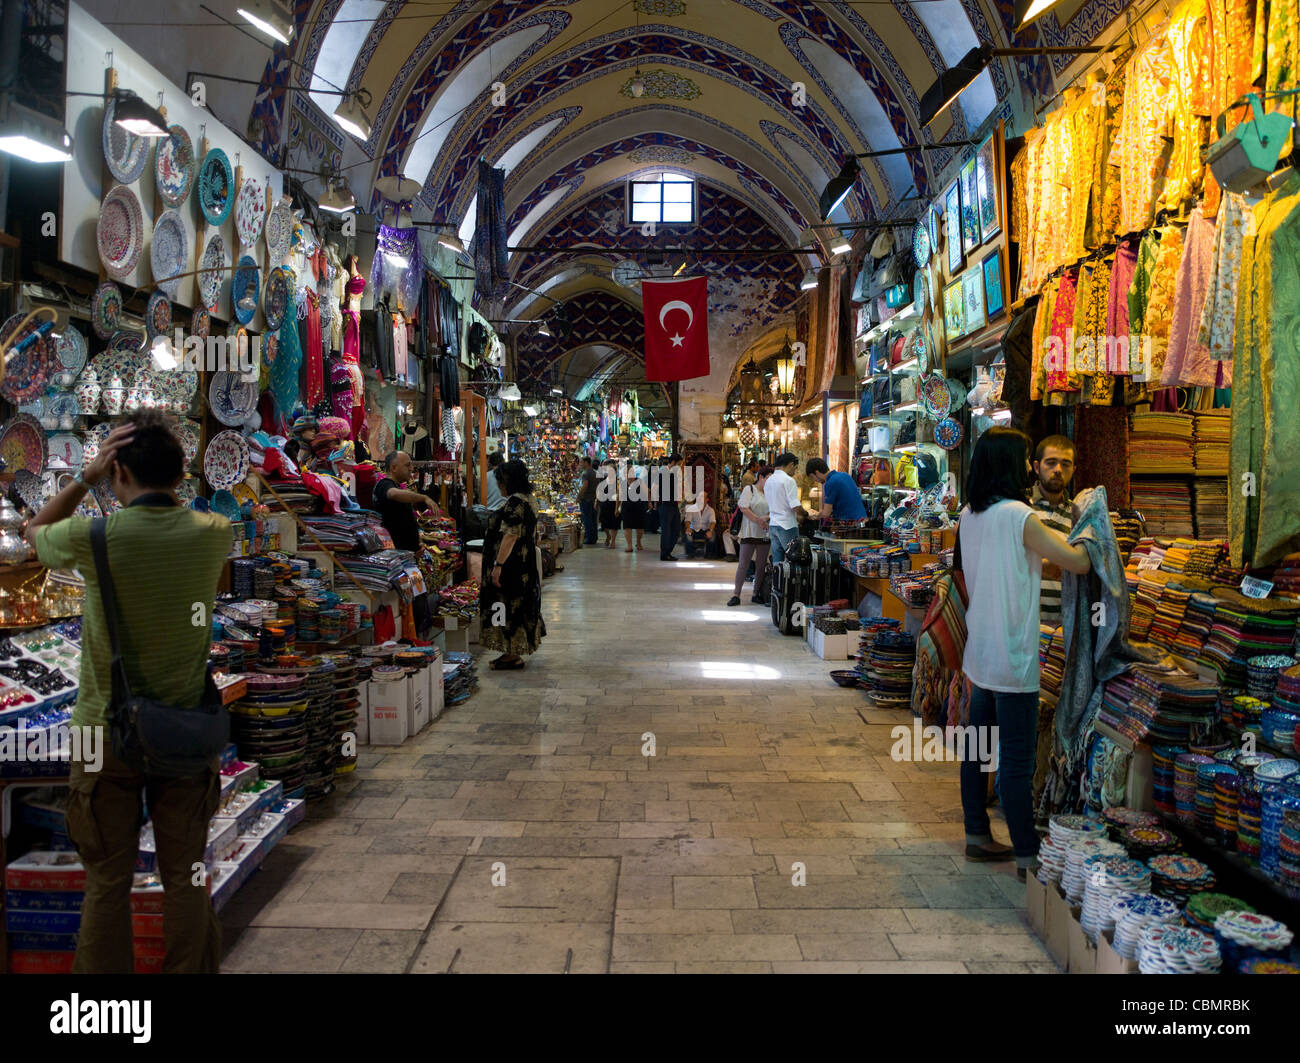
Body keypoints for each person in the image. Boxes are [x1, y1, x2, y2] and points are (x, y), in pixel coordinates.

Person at [24, 413, 232, 973]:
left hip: (98, 730)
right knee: (186, 876)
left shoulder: (94, 537)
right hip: (183, 731)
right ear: (182, 472)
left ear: (118, 472)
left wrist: (85, 479)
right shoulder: (215, 534)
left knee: (105, 881)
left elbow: (32, 532)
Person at [957, 427, 1092, 879]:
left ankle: (977, 835)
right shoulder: (1019, 515)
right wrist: (1093, 521)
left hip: (981, 653)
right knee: (1016, 762)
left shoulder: (969, 515)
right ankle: (1028, 857)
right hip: (1014, 657)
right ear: (1016, 466)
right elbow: (1078, 561)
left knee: (977, 751)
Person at [480, 459, 547, 669]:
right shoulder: (528, 499)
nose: (498, 485)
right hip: (523, 565)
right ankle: (511, 651)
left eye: (500, 481)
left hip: (511, 567)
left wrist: (498, 566)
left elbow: (510, 537)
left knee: (507, 605)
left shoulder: (515, 503)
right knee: (513, 606)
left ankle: (511, 653)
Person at [1031, 435, 1077, 626]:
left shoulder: (1080, 515)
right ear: (1036, 467)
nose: (1058, 470)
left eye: (1065, 464)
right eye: (1051, 463)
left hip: (1063, 630)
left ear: (1073, 470)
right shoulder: (1020, 508)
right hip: (1024, 626)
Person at [374, 451, 441, 551]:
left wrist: (418, 542)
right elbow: (393, 493)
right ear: (393, 468)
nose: (411, 469)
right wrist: (424, 498)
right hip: (396, 556)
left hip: (406, 555)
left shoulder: (397, 487)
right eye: (407, 465)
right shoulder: (384, 484)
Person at [728, 464, 772, 606]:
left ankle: (756, 593)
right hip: (749, 531)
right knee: (743, 564)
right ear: (761, 477)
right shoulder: (750, 489)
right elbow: (744, 508)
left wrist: (767, 518)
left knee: (761, 565)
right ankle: (736, 594)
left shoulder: (771, 493)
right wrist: (759, 521)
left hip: (765, 533)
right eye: (768, 479)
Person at [764, 452, 806, 564]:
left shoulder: (769, 480)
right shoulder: (788, 480)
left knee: (777, 561)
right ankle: (790, 582)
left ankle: (777, 581)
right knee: (792, 560)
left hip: (773, 524)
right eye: (795, 468)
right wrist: (805, 514)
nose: (795, 471)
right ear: (791, 464)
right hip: (787, 525)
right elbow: (795, 505)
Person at [806, 457, 867, 522]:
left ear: (817, 472)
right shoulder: (845, 475)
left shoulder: (830, 483)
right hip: (863, 520)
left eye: (813, 477)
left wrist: (815, 517)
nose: (815, 480)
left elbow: (826, 513)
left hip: (851, 523)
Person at [658, 453, 685, 561]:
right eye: (679, 464)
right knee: (667, 530)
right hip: (666, 505)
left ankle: (667, 551)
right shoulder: (664, 472)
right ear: (673, 462)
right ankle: (665, 553)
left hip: (673, 505)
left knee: (676, 529)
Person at [621, 462, 646, 552]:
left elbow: (647, 492)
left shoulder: (639, 481)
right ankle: (629, 546)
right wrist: (617, 508)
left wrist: (649, 503)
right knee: (627, 526)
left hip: (639, 506)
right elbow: (619, 496)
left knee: (639, 527)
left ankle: (638, 542)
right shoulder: (623, 483)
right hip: (627, 507)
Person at [683, 489, 716, 558]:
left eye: (702, 497)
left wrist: (710, 530)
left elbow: (712, 522)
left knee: (712, 537)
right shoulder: (691, 508)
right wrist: (688, 528)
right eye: (698, 497)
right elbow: (687, 520)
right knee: (688, 535)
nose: (700, 499)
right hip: (693, 530)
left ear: (707, 500)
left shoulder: (710, 510)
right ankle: (690, 554)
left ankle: (708, 554)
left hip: (705, 530)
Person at [599, 459, 621, 548]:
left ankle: (613, 541)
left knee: (615, 524)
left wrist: (617, 508)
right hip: (604, 504)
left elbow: (619, 495)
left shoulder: (618, 481)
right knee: (604, 523)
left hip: (614, 504)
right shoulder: (604, 479)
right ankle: (608, 536)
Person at [577, 456, 598, 545]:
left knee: (587, 519)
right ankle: (594, 538)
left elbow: (585, 485)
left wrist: (578, 497)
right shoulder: (595, 472)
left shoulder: (585, 473)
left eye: (582, 462)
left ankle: (589, 539)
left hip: (586, 499)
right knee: (593, 520)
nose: (580, 464)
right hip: (593, 499)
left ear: (586, 463)